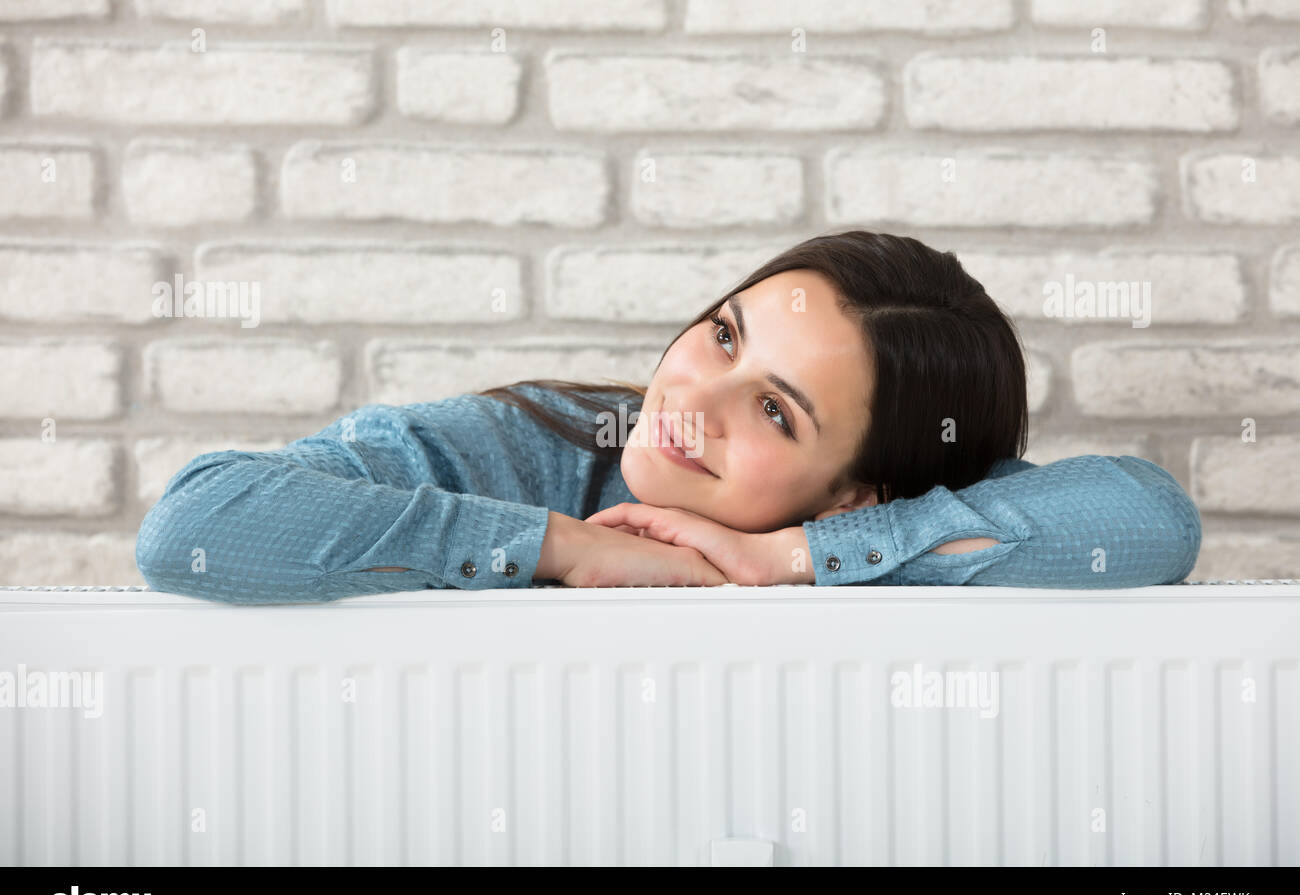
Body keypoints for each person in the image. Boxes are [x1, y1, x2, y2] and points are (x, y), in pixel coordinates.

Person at [134, 231, 1201, 604]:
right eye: (724, 335)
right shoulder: (529, 443)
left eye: (775, 412)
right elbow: (196, 524)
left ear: (857, 490)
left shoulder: (888, 515)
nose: (689, 398)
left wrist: (786, 558)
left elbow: (1150, 517)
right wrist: (566, 551)